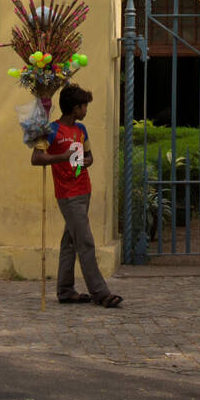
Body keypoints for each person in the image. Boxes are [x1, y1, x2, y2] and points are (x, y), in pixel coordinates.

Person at [31, 82, 123, 308]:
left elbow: (90, 157)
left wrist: (84, 160)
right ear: (74, 108)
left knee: (70, 242)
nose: (86, 110)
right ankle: (101, 293)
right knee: (85, 242)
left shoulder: (82, 131)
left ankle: (65, 290)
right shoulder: (50, 130)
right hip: (67, 194)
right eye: (84, 106)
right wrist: (63, 156)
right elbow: (36, 159)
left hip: (84, 189)